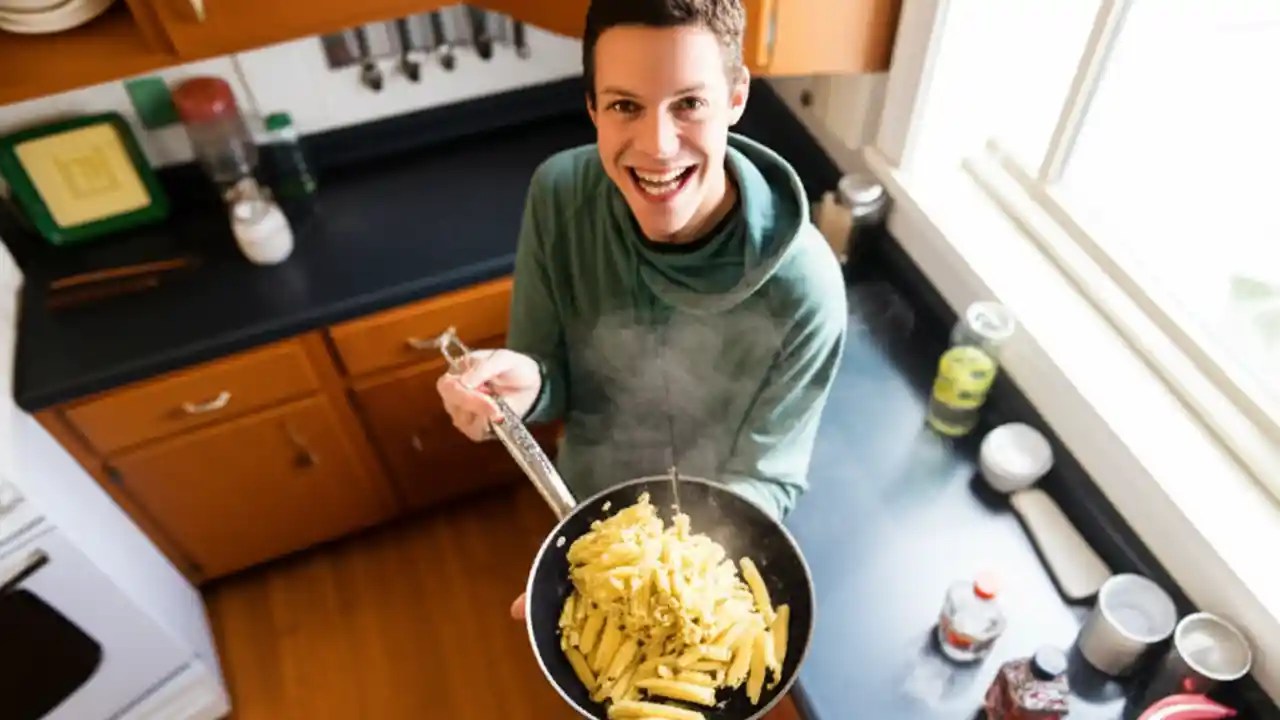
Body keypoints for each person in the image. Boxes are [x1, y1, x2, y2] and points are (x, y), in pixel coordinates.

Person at [435, 0, 848, 620]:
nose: (656, 146)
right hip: (589, 513)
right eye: (626, 105)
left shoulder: (805, 287)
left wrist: (669, 583)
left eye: (689, 103)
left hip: (713, 561)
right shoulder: (560, 195)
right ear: (594, 108)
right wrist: (525, 390)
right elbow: (546, 373)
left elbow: (768, 475)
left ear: (736, 98)